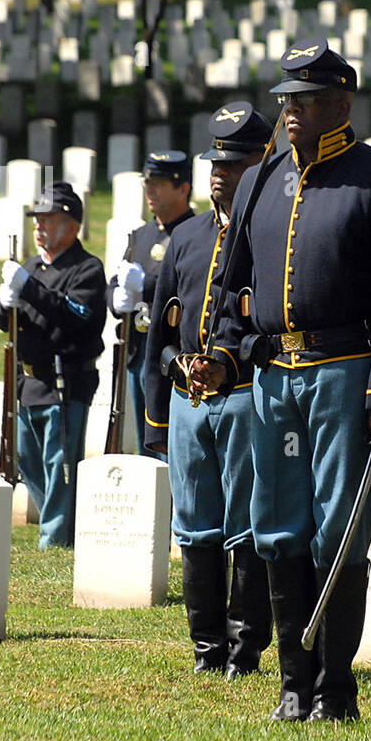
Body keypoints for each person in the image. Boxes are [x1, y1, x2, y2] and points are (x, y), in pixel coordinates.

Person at [224, 38, 371, 722]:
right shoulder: (259, 180)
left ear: (341, 103)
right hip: (275, 375)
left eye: (306, 102)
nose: (290, 113)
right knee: (277, 527)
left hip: (346, 372)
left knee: (336, 528)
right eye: (286, 101)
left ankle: (335, 689)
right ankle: (293, 682)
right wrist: (230, 352)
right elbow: (233, 287)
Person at [143, 104, 272, 677]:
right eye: (215, 163)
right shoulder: (187, 237)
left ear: (260, 165)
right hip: (188, 400)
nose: (221, 173)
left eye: (235, 163)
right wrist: (167, 389)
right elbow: (161, 331)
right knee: (195, 526)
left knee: (245, 525)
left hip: (244, 396)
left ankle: (244, 652)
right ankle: (206, 648)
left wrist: (225, 360)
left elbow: (267, 322)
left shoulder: (271, 235)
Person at [0, 182, 106, 549]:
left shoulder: (86, 269)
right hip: (30, 383)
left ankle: (55, 539)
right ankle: (57, 526)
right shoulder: (32, 267)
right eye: (37, 221)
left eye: (48, 220)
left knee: (60, 464)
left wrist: (28, 288)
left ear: (72, 226)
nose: (38, 227)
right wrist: (4, 300)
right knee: (29, 460)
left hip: (65, 381)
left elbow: (76, 315)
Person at [107, 151, 196, 455]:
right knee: (146, 438)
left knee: (168, 439)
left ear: (183, 188)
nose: (150, 191)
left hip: (171, 351)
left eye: (158, 184)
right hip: (138, 349)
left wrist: (144, 286)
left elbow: (187, 286)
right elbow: (116, 281)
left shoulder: (193, 233)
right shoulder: (142, 235)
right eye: (147, 183)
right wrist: (117, 298)